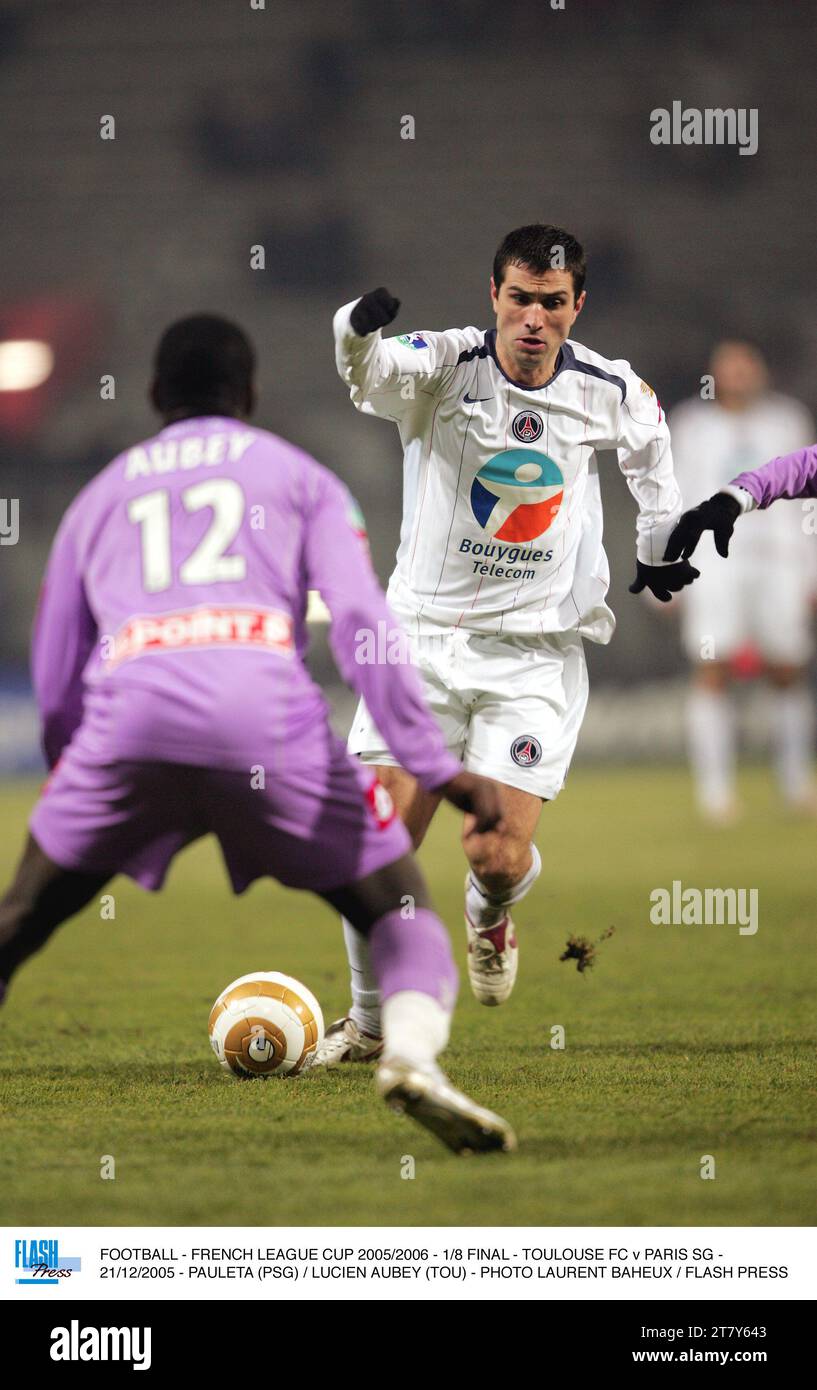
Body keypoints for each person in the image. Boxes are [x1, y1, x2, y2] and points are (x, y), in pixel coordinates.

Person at [0, 314, 516, 1156]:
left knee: (19, 920)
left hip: (128, 720)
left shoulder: (98, 496)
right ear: (249, 396)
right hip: (264, 718)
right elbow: (361, 624)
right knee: (402, 913)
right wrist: (432, 764)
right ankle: (414, 1060)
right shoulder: (301, 478)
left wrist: (76, 776)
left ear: (155, 395)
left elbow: (55, 666)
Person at [313, 222, 692, 1067]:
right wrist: (353, 325)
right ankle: (369, 1025)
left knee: (491, 853)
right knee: (371, 849)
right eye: (518, 299)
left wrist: (658, 547)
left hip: (533, 656)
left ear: (575, 306)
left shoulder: (609, 387)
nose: (532, 319)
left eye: (551, 304)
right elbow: (365, 369)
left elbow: (653, 461)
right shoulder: (445, 363)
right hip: (417, 645)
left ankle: (490, 917)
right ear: (494, 296)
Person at [666, 342, 816, 823]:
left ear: (761, 370)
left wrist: (811, 569)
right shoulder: (691, 426)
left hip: (779, 562)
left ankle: (796, 783)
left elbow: (808, 501)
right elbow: (672, 498)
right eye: (729, 368)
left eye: (747, 365)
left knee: (788, 668)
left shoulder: (787, 421)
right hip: (715, 563)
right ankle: (715, 793)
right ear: (714, 374)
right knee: (713, 668)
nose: (739, 375)